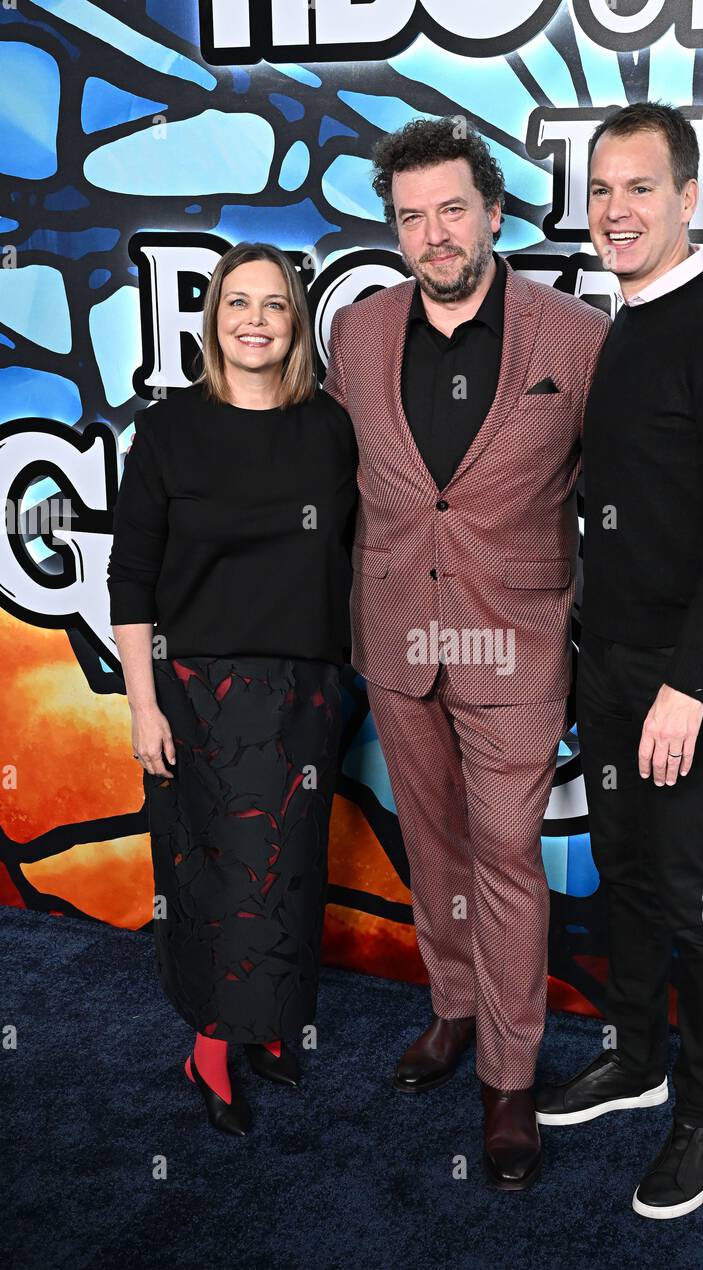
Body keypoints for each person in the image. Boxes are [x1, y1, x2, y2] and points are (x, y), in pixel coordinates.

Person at [323, 117, 609, 1190]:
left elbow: (620, 493)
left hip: (516, 645)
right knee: (434, 848)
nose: (434, 234)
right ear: (394, 230)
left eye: (453, 210)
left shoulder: (576, 338)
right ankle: (449, 1009)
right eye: (412, 217)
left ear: (494, 212)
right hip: (397, 639)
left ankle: (508, 1079)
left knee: (503, 856)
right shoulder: (355, 332)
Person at [535, 102, 703, 1218]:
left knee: (695, 895)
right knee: (626, 875)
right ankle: (637, 1059)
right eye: (599, 189)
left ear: (688, 198)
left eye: (638, 187)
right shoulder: (621, 325)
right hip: (613, 662)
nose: (614, 210)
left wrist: (688, 685)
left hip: (693, 674)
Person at [107, 242, 357, 1137]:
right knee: (211, 873)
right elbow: (131, 575)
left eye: (275, 304)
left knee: (288, 874)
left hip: (305, 692)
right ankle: (211, 1043)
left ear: (297, 323)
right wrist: (142, 704)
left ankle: (272, 1025)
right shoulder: (170, 428)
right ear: (213, 320)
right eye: (236, 303)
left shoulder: (330, 427)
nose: (254, 319)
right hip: (192, 691)